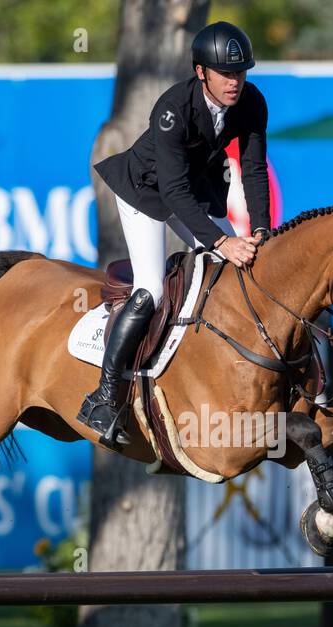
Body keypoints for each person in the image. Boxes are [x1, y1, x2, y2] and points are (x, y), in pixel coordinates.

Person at [87, 21, 270, 448]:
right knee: (150, 289)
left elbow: (255, 169)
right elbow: (172, 190)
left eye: (240, 72)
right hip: (145, 191)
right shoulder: (172, 107)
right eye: (225, 73)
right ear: (200, 71)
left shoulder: (252, 102)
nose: (235, 81)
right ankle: (105, 396)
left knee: (236, 275)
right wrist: (222, 241)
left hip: (195, 191)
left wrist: (260, 229)